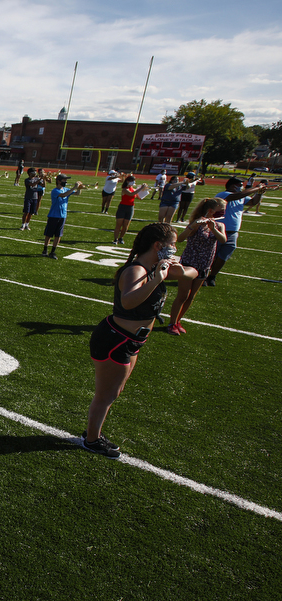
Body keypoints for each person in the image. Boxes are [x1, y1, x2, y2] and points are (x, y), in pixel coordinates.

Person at [82, 222, 196, 458]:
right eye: (172, 245)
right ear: (158, 245)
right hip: (116, 340)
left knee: (115, 392)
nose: (175, 249)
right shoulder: (138, 271)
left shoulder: (157, 266)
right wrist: (156, 278)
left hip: (133, 341)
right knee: (106, 395)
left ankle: (93, 433)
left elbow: (194, 272)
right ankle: (92, 440)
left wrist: (179, 267)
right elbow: (128, 302)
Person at [165, 198, 227, 335]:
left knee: (191, 296)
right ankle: (171, 323)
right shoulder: (197, 222)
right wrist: (192, 227)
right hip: (189, 263)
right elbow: (180, 239)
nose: (223, 212)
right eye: (221, 209)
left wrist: (213, 229)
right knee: (183, 295)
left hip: (205, 264)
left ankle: (178, 321)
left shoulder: (219, 225)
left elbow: (223, 240)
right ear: (211, 210)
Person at [204, 177, 275, 286]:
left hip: (233, 231)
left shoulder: (241, 196)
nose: (242, 187)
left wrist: (259, 193)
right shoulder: (223, 195)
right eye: (240, 185)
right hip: (218, 229)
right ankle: (203, 275)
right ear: (233, 185)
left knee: (223, 256)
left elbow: (253, 201)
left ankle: (212, 276)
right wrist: (256, 188)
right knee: (211, 254)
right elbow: (238, 195)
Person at [42, 174, 84, 258]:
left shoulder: (66, 189)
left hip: (63, 215)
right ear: (59, 181)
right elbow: (64, 195)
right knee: (49, 234)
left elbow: (77, 194)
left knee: (58, 235)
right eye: (64, 180)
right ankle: (45, 249)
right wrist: (74, 187)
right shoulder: (55, 191)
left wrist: (79, 188)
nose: (66, 182)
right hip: (54, 215)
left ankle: (53, 251)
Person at [112, 175, 147, 245]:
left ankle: (121, 238)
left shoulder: (133, 189)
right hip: (122, 207)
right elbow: (131, 194)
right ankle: (115, 239)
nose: (133, 182)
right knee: (119, 225)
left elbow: (140, 197)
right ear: (128, 181)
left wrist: (145, 190)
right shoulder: (124, 189)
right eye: (132, 181)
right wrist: (140, 189)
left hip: (130, 208)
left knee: (125, 225)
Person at [20, 167, 44, 231]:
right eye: (34, 172)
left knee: (31, 213)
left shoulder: (37, 179)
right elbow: (33, 185)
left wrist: (44, 179)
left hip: (35, 198)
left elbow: (43, 185)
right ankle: (23, 225)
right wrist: (40, 179)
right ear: (30, 173)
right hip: (28, 197)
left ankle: (27, 224)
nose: (35, 173)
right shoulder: (27, 180)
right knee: (26, 212)